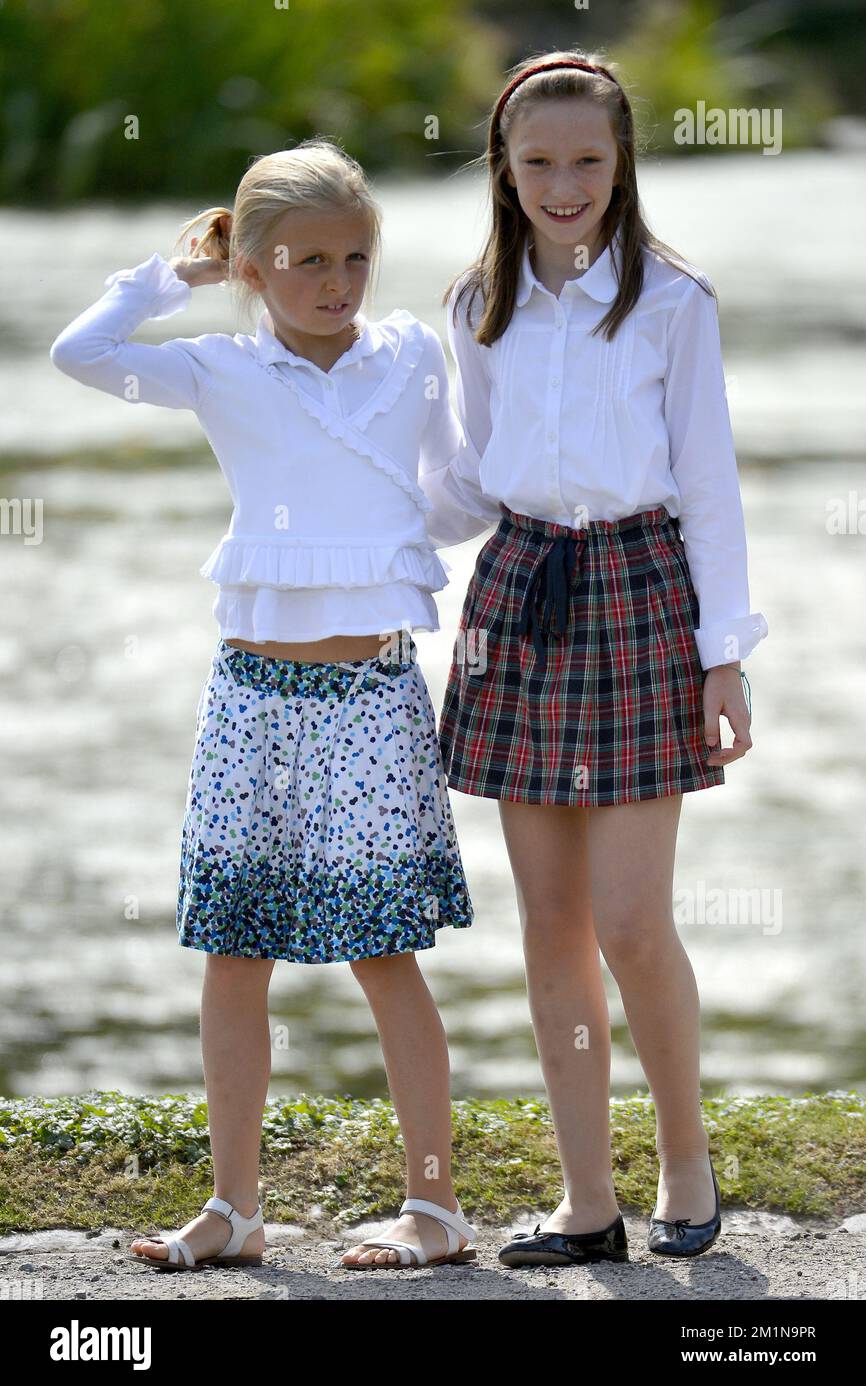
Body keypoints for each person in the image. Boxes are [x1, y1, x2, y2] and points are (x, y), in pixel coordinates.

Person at [49, 139, 479, 1272]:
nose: (334, 282)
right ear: (252, 264)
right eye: (302, 261)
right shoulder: (218, 370)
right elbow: (76, 351)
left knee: (385, 953)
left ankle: (432, 1208)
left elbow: (451, 493)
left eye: (352, 258)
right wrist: (169, 275)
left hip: (370, 694)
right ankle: (231, 1209)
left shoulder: (412, 359)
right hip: (248, 698)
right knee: (233, 954)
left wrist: (378, 555)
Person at [418, 50, 768, 1263]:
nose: (561, 183)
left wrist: (723, 653)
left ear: (620, 165)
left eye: (585, 160)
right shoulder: (473, 305)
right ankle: (586, 1202)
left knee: (628, 920)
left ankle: (683, 1165)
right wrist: (359, 539)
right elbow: (461, 481)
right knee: (549, 926)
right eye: (536, 163)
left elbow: (709, 487)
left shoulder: (672, 298)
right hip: (516, 587)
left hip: (637, 593)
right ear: (502, 173)